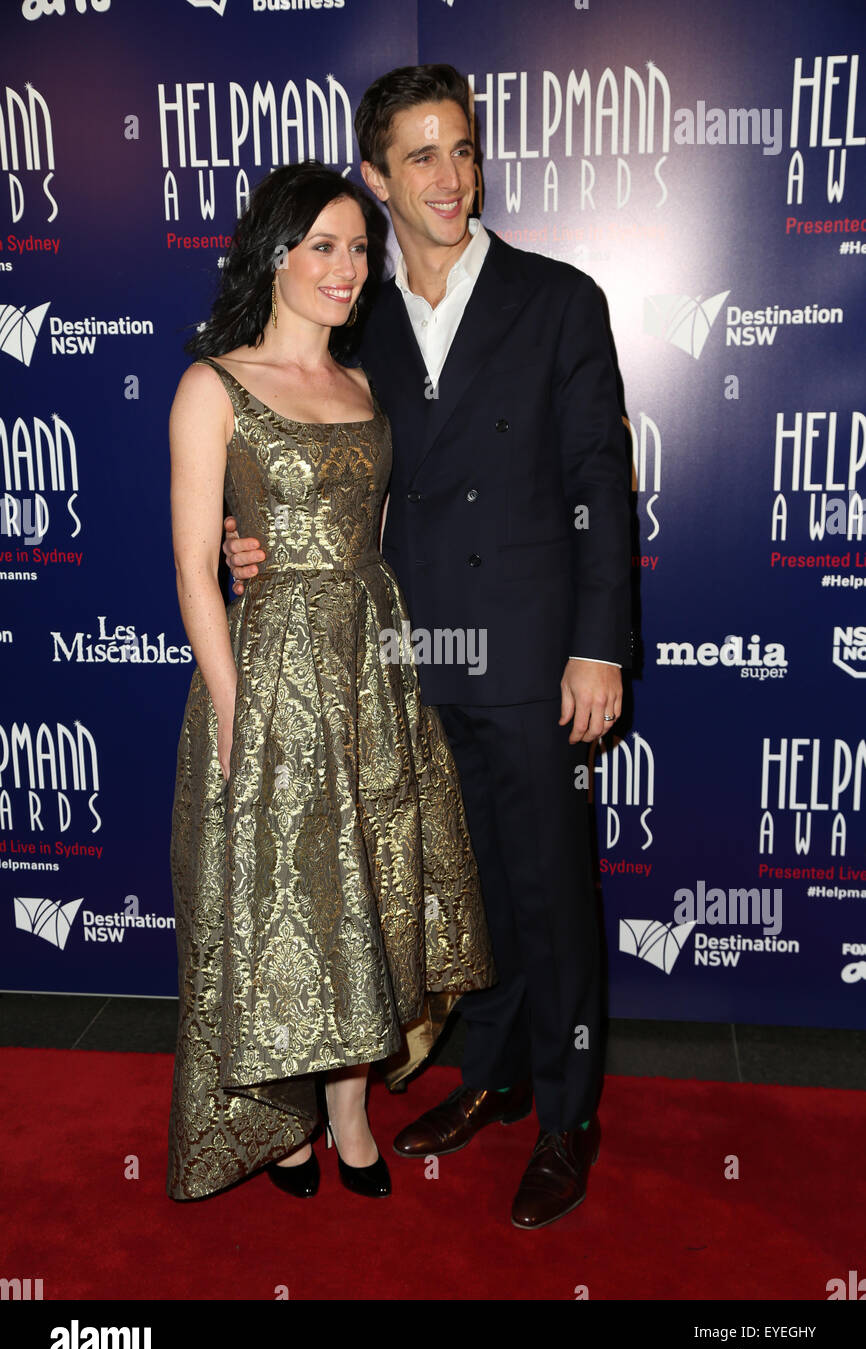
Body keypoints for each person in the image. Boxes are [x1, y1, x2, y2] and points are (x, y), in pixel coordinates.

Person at [223, 65, 632, 1230]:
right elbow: (304, 461)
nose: (448, 175)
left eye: (461, 149)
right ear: (375, 177)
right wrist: (241, 543)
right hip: (405, 663)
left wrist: (596, 645)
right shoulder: (356, 320)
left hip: (533, 652)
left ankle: (566, 1115)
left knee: (551, 893)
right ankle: (492, 1077)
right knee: (465, 891)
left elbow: (599, 477)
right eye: (419, 155)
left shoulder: (556, 297)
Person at [166, 159, 494, 1204]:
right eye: (324, 246)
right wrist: (233, 713)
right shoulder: (211, 385)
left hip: (370, 667)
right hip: (268, 677)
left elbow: (376, 543)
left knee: (365, 890)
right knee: (285, 898)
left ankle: (348, 1105)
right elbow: (194, 569)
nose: (348, 267)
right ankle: (284, 1116)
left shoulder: (365, 386)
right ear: (274, 255)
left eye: (358, 247)